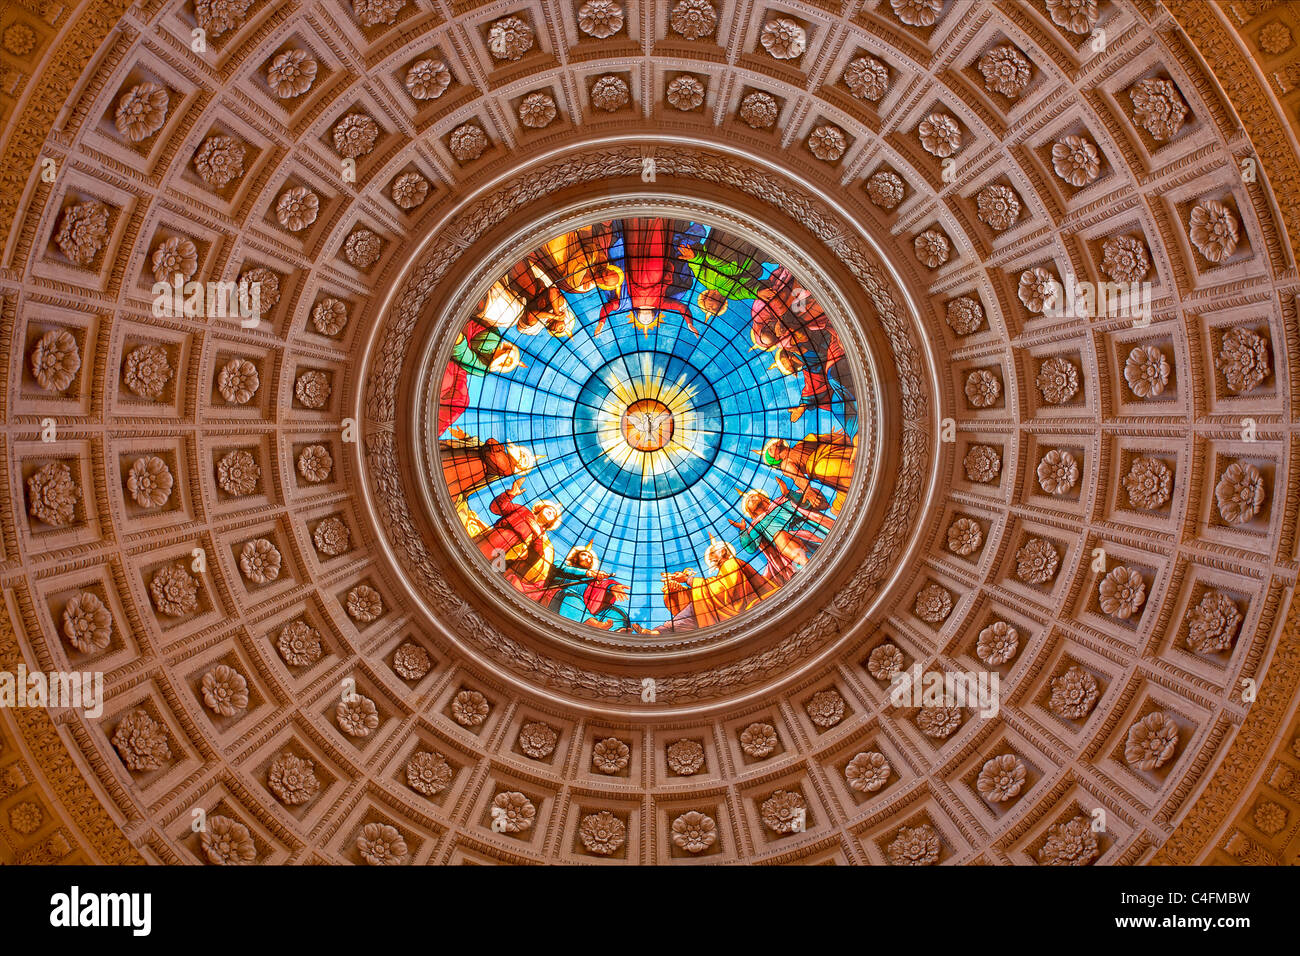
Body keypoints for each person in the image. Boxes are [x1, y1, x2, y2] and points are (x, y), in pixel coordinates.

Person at [594, 218, 697, 336]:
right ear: (654, 316)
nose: (646, 321)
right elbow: (681, 307)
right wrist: (689, 323)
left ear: (637, 316)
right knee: (656, 236)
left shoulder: (628, 303)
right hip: (656, 265)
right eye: (649, 321)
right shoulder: (660, 303)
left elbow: (609, 307)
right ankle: (658, 216)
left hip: (634, 263)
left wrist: (601, 323)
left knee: (634, 236)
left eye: (643, 321)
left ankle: (635, 216)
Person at [473, 477, 560, 601]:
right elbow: (496, 508)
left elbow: (535, 557)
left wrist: (537, 536)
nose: (551, 512)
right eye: (549, 509)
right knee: (474, 558)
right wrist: (510, 494)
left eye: (554, 514)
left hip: (508, 559)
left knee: (487, 583)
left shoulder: (542, 537)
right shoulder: (523, 510)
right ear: (541, 508)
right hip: (496, 538)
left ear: (552, 522)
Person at [659, 537, 772, 630]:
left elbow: (722, 591)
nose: (709, 557)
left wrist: (688, 580)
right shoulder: (724, 569)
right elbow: (713, 589)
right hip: (728, 612)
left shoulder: (732, 563)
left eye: (713, 552)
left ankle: (665, 630)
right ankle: (667, 629)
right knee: (697, 604)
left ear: (723, 551)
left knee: (698, 604)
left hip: (741, 610)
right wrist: (678, 591)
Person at [437, 313, 523, 435]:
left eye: (507, 364)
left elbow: (464, 355)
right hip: (457, 327)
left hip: (455, 345)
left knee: (459, 400)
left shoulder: (484, 367)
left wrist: (456, 334)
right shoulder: (495, 334)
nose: (506, 362)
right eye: (509, 360)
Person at [730, 485, 833, 585]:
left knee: (781, 536)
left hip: (807, 531)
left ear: (761, 496)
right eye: (748, 501)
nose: (751, 499)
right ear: (750, 511)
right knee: (780, 536)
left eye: (752, 496)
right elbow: (751, 548)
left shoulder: (781, 501)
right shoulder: (756, 526)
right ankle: (809, 565)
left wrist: (789, 493)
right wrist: (743, 530)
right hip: (788, 547)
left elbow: (806, 503)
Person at [759, 431, 855, 513]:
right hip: (821, 465)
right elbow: (797, 477)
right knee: (825, 468)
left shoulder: (800, 444)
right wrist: (808, 490)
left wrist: (836, 437)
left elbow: (819, 439)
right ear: (776, 458)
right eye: (771, 450)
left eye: (771, 446)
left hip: (829, 451)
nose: (772, 445)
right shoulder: (785, 464)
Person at [545, 542, 632, 630]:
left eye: (590, 557)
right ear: (575, 558)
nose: (587, 558)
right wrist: (588, 573)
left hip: (586, 608)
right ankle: (592, 624)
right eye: (584, 555)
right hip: (558, 599)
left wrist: (611, 587)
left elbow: (598, 588)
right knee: (570, 595)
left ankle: (617, 630)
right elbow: (562, 569)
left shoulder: (590, 579)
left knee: (615, 610)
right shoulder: (561, 564)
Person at [440, 428, 535, 499]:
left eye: (524, 459)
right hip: (467, 460)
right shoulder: (505, 457)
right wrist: (465, 437)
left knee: (446, 474)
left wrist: (496, 446)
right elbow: (486, 447)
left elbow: (491, 451)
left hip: (470, 467)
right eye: (522, 454)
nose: (520, 455)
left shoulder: (506, 467)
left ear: (520, 466)